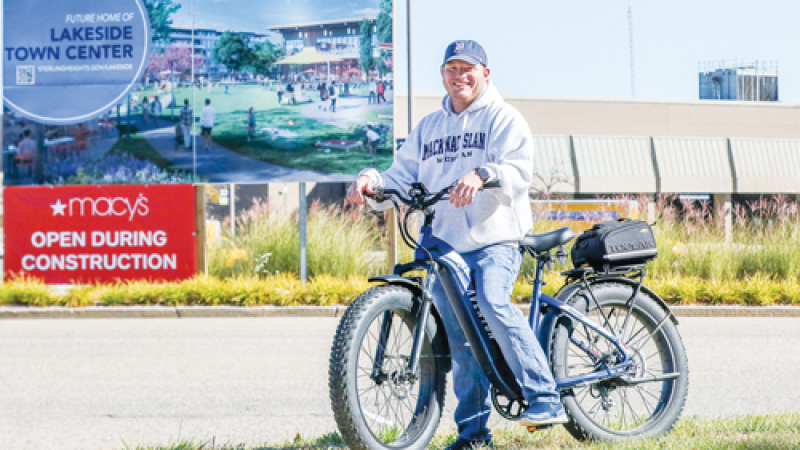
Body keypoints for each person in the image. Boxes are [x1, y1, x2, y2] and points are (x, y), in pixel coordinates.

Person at [346, 40, 567, 450]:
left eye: (468, 68)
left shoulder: (504, 118)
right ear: (443, 75)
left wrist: (481, 174)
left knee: (491, 302)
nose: (459, 76)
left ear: (486, 73)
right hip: (442, 243)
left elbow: (519, 170)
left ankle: (544, 397)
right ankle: (473, 435)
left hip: (494, 238)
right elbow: (400, 175)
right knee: (459, 336)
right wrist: (370, 181)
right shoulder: (429, 127)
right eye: (451, 68)